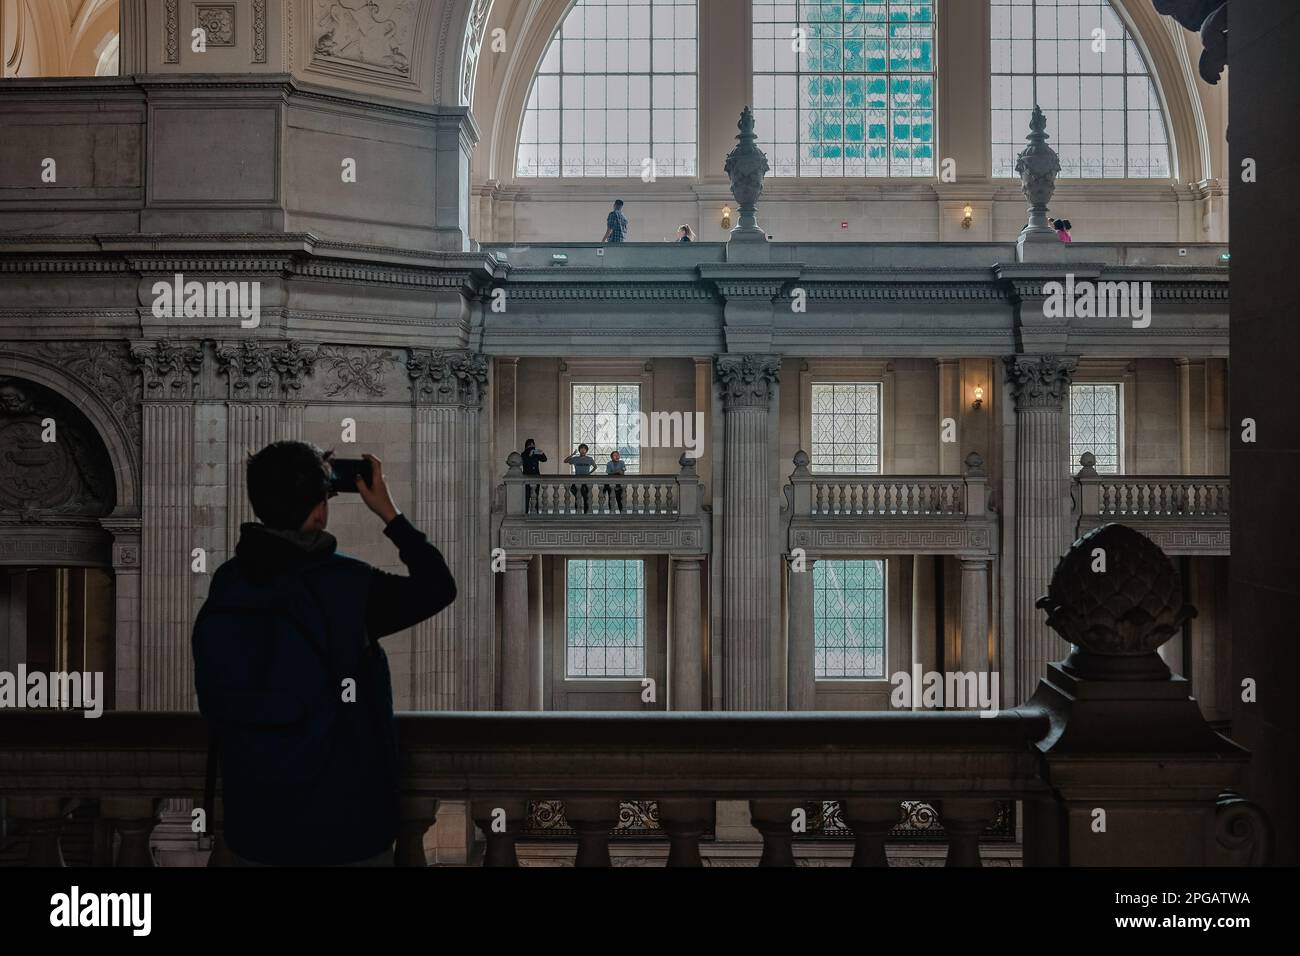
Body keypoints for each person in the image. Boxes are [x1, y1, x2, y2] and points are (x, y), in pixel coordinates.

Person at [192, 442, 456, 866]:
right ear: (319, 510)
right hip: (345, 827)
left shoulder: (228, 583)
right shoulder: (349, 586)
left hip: (254, 825)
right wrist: (389, 513)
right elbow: (439, 586)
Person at [563, 443, 597, 513]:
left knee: (586, 497)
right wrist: (572, 454)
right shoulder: (575, 458)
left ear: (586, 450)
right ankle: (578, 511)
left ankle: (586, 513)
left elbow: (595, 467)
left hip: (586, 480)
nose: (583, 450)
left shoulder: (589, 459)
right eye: (581, 449)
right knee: (577, 497)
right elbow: (565, 461)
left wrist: (589, 473)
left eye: (584, 449)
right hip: (577, 480)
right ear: (579, 450)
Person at [521, 438, 547, 513]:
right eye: (531, 445)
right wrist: (529, 455)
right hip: (526, 477)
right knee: (526, 496)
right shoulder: (523, 454)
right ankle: (525, 512)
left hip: (536, 477)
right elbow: (524, 462)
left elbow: (545, 459)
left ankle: (535, 512)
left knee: (535, 495)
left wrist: (542, 453)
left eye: (533, 445)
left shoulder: (536, 453)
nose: (532, 447)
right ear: (527, 446)